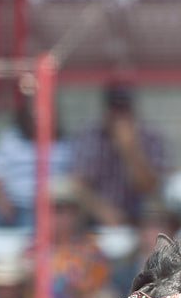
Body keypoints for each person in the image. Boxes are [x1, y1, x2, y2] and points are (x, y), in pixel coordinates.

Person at [25, 177, 114, 298]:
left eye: (64, 210)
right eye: (52, 210)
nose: (57, 217)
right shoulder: (31, 251)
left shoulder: (91, 251)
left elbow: (98, 294)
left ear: (76, 214)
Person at [69, 82, 167, 227]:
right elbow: (77, 184)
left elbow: (149, 188)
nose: (119, 116)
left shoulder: (149, 136)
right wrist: (103, 211)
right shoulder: (90, 135)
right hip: (95, 219)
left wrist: (130, 151)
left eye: (124, 109)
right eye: (115, 109)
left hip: (138, 218)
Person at [0, 92, 72, 227]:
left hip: (43, 207)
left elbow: (68, 183)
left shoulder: (63, 144)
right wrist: (3, 202)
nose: (39, 115)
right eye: (35, 110)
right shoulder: (10, 138)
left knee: (30, 223)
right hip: (9, 203)